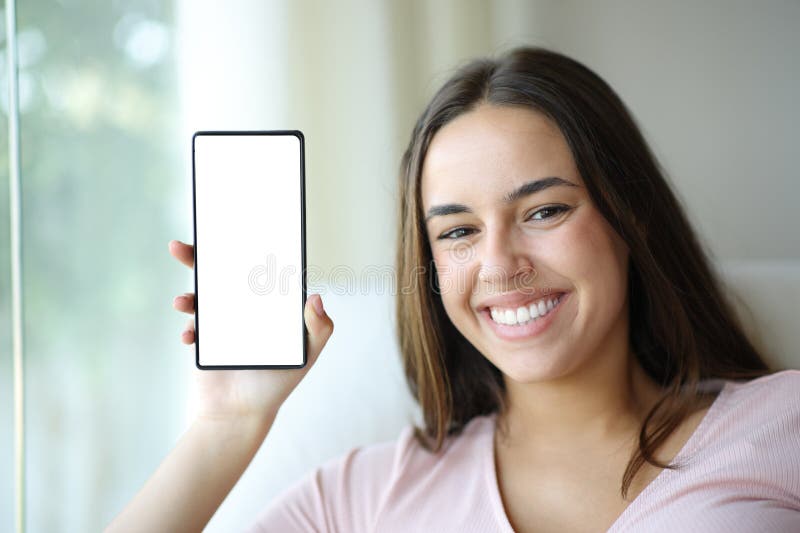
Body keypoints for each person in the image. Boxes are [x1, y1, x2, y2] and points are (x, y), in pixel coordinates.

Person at [106, 47, 800, 532]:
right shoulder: (364, 497)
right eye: (459, 231)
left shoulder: (779, 424)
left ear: (631, 216)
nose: (499, 264)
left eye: (544, 211)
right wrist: (229, 422)